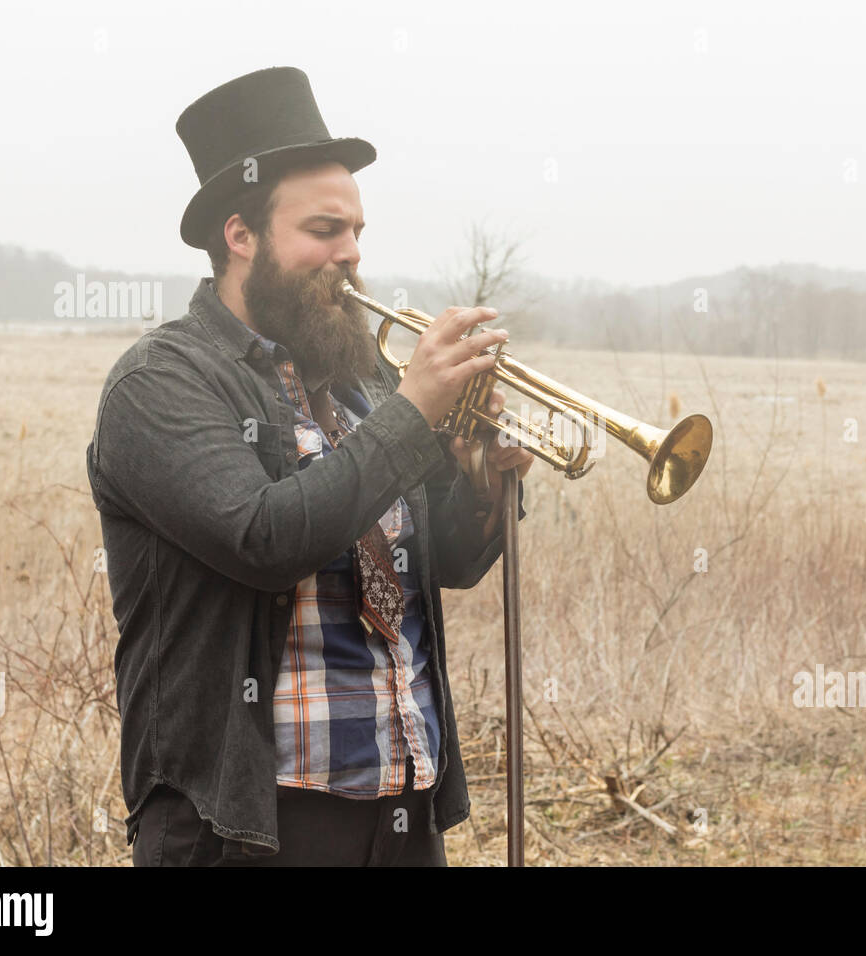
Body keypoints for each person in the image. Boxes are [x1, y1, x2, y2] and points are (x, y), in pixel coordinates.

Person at [85, 66, 533, 866]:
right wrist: (415, 414)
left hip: (402, 811)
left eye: (357, 231)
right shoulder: (161, 383)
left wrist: (478, 480)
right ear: (241, 234)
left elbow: (446, 567)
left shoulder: (364, 383)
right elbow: (264, 540)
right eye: (324, 231)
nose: (352, 255)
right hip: (248, 828)